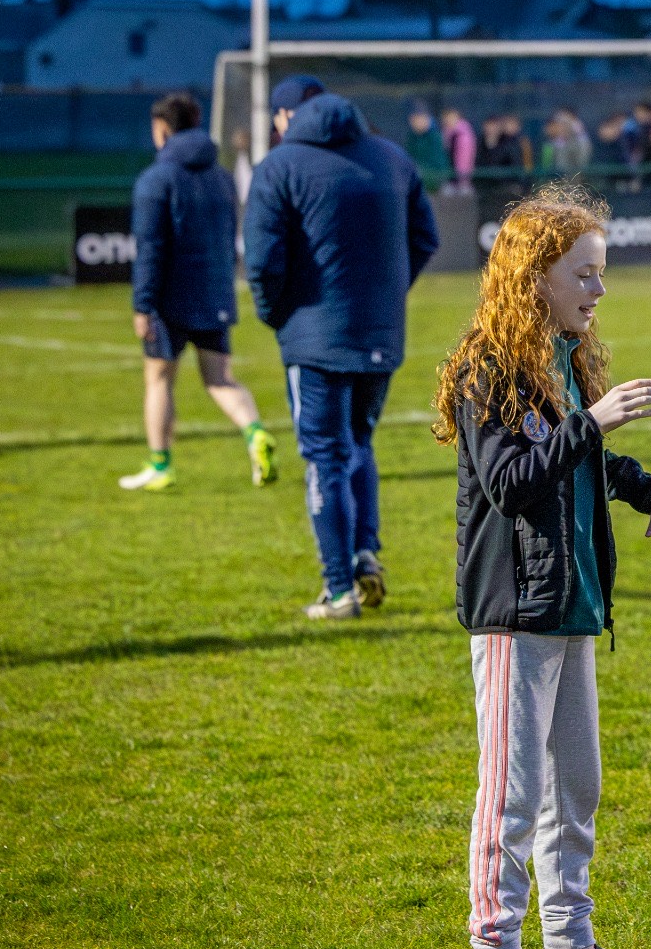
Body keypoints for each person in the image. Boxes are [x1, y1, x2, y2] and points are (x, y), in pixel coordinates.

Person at [432, 182, 651, 949]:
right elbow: (509, 483)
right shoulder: (486, 368)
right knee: (510, 793)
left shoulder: (563, 360)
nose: (598, 290)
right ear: (533, 275)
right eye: (584, 273)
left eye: (601, 273)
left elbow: (583, 464)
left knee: (577, 784)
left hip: (574, 607)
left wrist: (648, 487)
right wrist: (594, 423)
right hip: (515, 614)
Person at [244, 75, 439, 619]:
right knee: (359, 443)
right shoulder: (392, 158)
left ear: (285, 118)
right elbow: (425, 239)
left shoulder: (280, 166)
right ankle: (363, 554)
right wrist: (388, 295)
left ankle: (338, 589)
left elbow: (260, 261)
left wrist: (276, 314)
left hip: (315, 340)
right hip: (382, 334)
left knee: (324, 456)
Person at [120, 92, 276, 491]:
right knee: (220, 378)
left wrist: (143, 305)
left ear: (162, 128)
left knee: (158, 378)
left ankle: (160, 465)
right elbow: (228, 239)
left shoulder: (156, 179)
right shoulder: (221, 175)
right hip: (214, 293)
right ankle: (255, 432)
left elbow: (150, 249)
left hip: (170, 299)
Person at [405, 101, 450, 183]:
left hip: (436, 181)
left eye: (417, 118)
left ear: (426, 118)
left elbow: (438, 165)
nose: (414, 122)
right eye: (412, 119)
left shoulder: (434, 136)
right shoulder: (412, 136)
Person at [440, 106, 477, 195]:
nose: (449, 120)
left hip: (463, 179)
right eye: (447, 118)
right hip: (450, 177)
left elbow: (465, 159)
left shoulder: (464, 135)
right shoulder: (445, 134)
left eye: (452, 117)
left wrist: (463, 178)